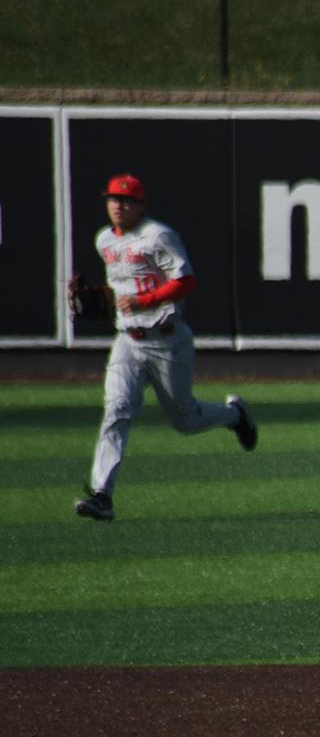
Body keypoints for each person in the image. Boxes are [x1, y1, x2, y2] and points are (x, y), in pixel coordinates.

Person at [74, 174, 257, 522]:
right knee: (117, 410)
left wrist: (145, 300)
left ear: (141, 205)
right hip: (127, 341)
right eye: (113, 199)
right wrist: (105, 299)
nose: (118, 205)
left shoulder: (158, 236)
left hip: (167, 340)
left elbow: (186, 281)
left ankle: (235, 416)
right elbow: (121, 285)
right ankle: (102, 495)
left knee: (186, 420)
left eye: (126, 200)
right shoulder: (103, 240)